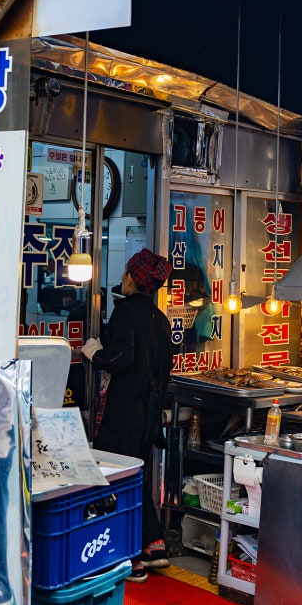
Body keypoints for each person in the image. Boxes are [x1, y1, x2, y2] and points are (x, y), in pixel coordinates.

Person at [82, 248, 174, 580]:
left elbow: (123, 358)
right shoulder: (159, 320)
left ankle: (129, 559)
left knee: (116, 480)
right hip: (150, 416)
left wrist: (96, 354)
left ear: (133, 280)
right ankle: (154, 546)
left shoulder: (125, 314)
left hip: (124, 415)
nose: (121, 279)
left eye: (124, 274)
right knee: (135, 478)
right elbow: (165, 367)